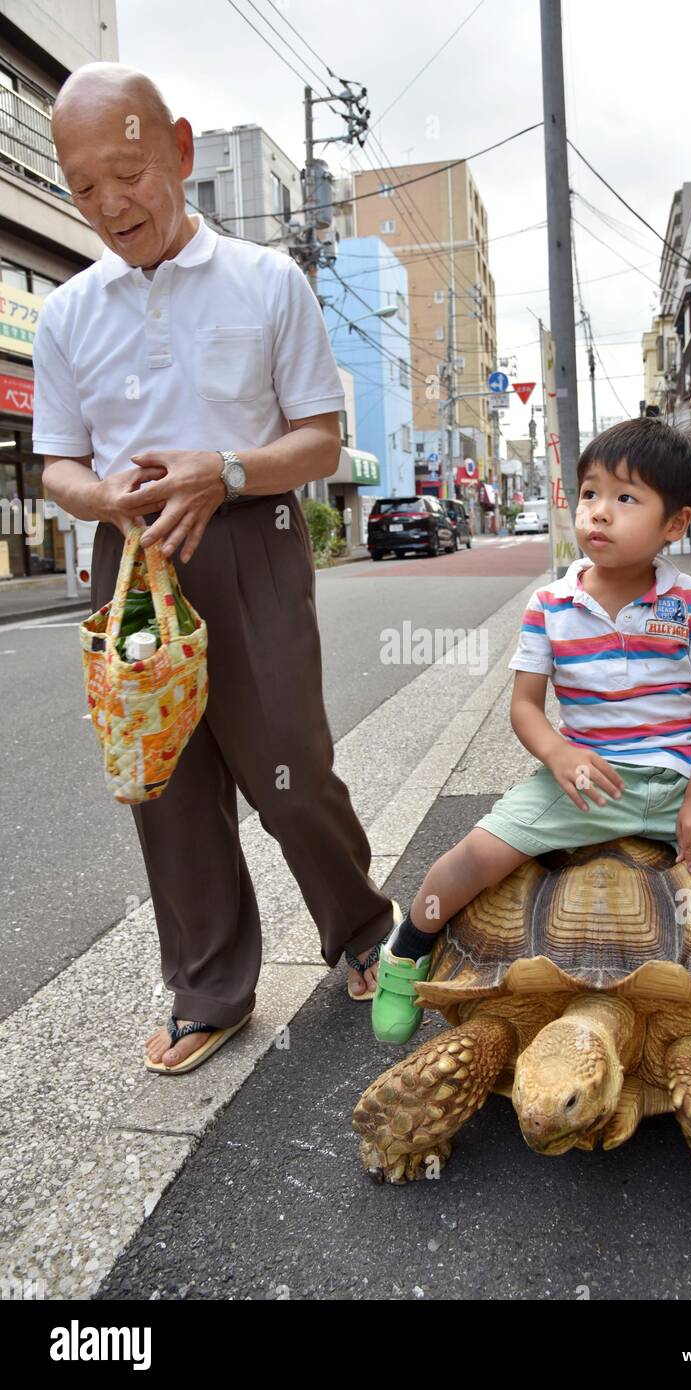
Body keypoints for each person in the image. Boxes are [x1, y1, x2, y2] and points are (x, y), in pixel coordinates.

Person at [32, 63, 397, 1073]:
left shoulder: (268, 281)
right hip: (130, 551)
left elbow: (320, 443)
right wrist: (103, 499)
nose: (111, 204)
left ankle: (362, 928)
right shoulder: (65, 315)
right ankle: (209, 985)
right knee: (164, 782)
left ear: (182, 153)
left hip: (249, 537)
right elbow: (57, 461)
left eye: (129, 173)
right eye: (84, 188)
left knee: (288, 765)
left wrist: (223, 468)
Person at [370, 418, 691, 1112]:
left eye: (626, 499)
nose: (598, 511)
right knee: (462, 864)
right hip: (581, 782)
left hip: (686, 778)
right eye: (589, 493)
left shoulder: (688, 602)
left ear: (675, 524)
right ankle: (402, 951)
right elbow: (524, 708)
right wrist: (559, 752)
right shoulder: (550, 605)